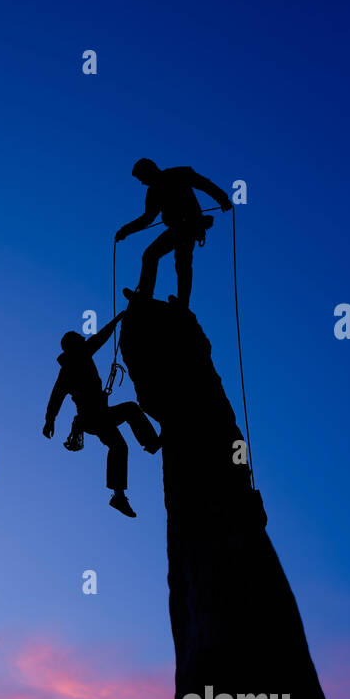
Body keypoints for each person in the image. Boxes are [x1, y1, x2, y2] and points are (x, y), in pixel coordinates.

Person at [42, 319, 160, 518]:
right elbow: (100, 338)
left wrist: (50, 421)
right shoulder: (79, 358)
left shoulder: (71, 366)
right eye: (80, 338)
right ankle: (151, 444)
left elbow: (56, 398)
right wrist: (117, 320)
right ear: (75, 345)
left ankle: (119, 495)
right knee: (129, 415)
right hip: (94, 416)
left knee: (120, 443)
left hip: (95, 417)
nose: (84, 338)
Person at [115, 159, 232, 308]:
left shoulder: (177, 175)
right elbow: (147, 219)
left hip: (188, 226)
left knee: (154, 256)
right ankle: (180, 303)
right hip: (185, 227)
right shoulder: (157, 189)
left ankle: (149, 297)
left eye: (142, 178)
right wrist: (125, 231)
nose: (142, 183)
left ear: (149, 172)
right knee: (179, 261)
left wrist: (222, 199)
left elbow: (204, 184)